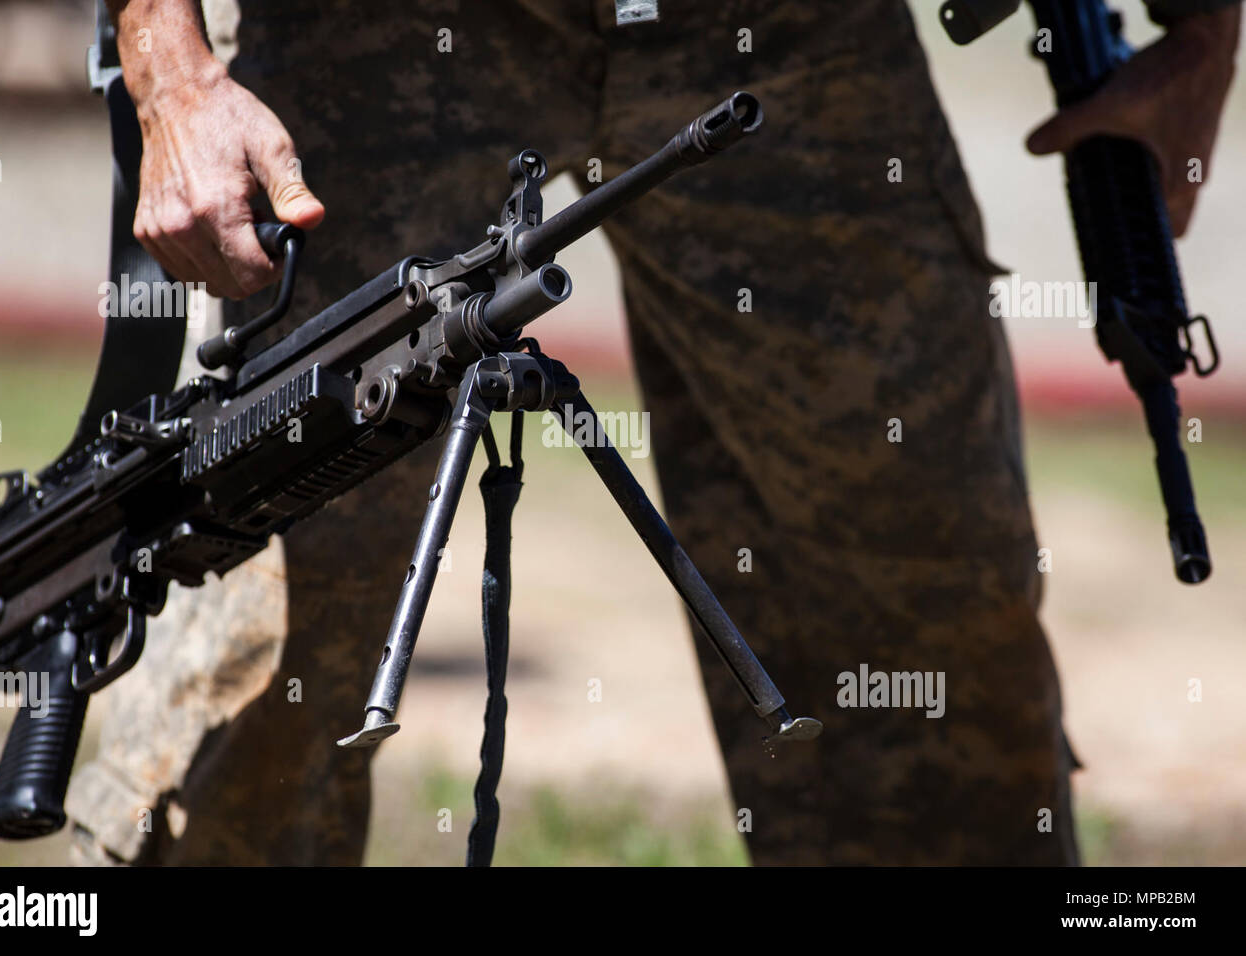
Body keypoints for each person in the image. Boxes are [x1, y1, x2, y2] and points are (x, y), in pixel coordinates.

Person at [67, 0, 1240, 865]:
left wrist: (1201, 31)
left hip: (782, 30)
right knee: (261, 568)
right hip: (377, 28)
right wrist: (165, 59)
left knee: (920, 599)